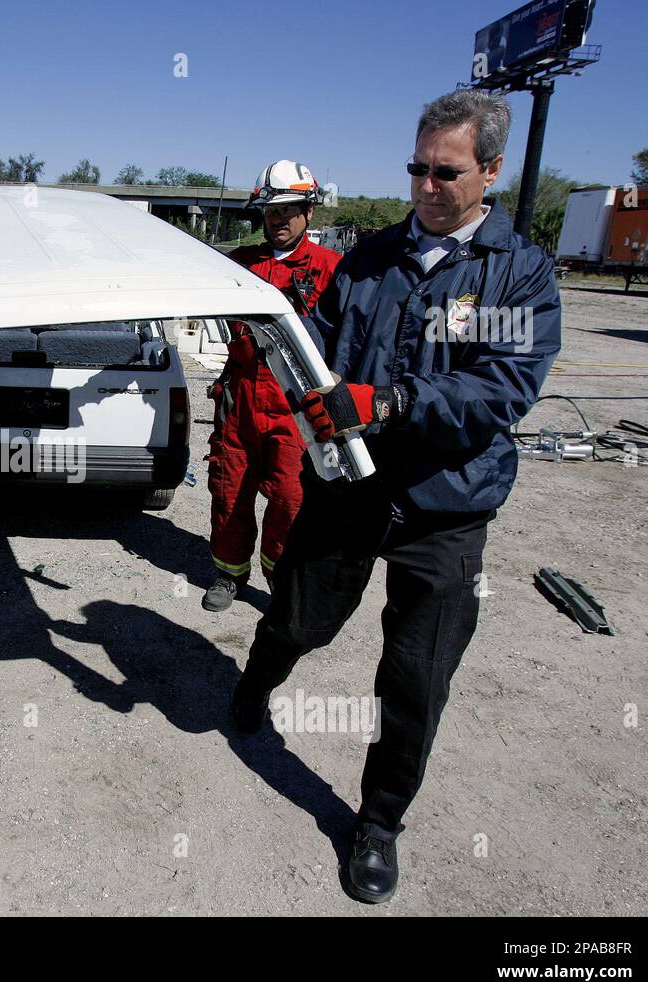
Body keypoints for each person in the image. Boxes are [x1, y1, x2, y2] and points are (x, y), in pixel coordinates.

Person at [229, 90, 561, 903]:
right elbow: (320, 351)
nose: (425, 187)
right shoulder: (369, 260)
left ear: (490, 171)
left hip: (447, 510)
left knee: (415, 677)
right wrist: (303, 379)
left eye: (445, 172)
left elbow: (503, 390)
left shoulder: (521, 275)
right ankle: (258, 677)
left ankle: (378, 823)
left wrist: (390, 402)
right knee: (299, 618)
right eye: (416, 168)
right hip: (352, 491)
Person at [203, 161, 341, 611]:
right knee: (230, 488)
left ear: (308, 213)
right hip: (241, 395)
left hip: (294, 402)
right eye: (271, 212)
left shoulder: (332, 270)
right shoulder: (241, 264)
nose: (278, 220)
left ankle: (279, 578)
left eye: (288, 210)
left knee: (289, 497)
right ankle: (229, 573)